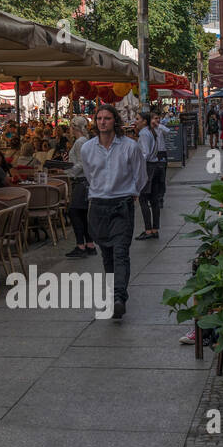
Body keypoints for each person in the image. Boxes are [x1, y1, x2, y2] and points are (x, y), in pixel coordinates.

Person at [80, 104, 148, 319]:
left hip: (121, 205)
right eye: (99, 118)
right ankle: (113, 295)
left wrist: (132, 191)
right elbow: (89, 175)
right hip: (98, 206)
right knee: (107, 255)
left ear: (114, 121)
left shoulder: (129, 146)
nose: (102, 122)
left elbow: (141, 174)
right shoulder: (87, 149)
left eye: (107, 118)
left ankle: (119, 297)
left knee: (120, 252)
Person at [63, 117, 96, 258]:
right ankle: (89, 244)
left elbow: (82, 164)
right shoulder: (84, 141)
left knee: (74, 212)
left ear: (74, 127)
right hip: (83, 181)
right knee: (81, 214)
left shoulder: (80, 142)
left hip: (81, 182)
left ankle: (80, 246)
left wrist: (67, 170)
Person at [134, 112, 163, 242]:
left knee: (143, 199)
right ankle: (155, 229)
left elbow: (144, 153)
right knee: (154, 200)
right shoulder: (151, 132)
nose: (136, 121)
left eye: (137, 119)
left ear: (144, 121)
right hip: (156, 166)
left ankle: (148, 230)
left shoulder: (144, 133)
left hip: (148, 168)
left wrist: (138, 168)